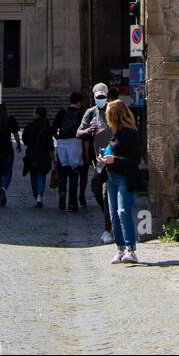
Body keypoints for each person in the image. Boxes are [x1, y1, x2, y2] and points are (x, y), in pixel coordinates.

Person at [101, 99, 141, 264]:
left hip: (124, 177)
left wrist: (114, 160)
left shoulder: (130, 134)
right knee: (113, 215)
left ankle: (131, 250)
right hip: (111, 177)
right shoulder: (115, 132)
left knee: (123, 212)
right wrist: (105, 159)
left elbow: (133, 160)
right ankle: (120, 249)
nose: (107, 119)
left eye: (109, 115)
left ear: (115, 115)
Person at [78, 83, 114, 242]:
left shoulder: (113, 110)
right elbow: (78, 132)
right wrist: (88, 131)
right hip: (98, 160)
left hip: (113, 157)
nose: (100, 99)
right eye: (98, 97)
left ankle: (108, 228)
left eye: (102, 97)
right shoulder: (90, 113)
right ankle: (110, 216)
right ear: (94, 97)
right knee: (95, 187)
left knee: (107, 192)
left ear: (107, 97)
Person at [51, 92, 84, 212]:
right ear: (79, 102)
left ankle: (62, 191)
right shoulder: (81, 114)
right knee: (74, 173)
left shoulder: (61, 112)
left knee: (62, 171)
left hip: (62, 143)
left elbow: (53, 129)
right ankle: (72, 202)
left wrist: (58, 139)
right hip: (75, 143)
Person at [22, 106, 53, 207]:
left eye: (33, 112)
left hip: (33, 154)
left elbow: (25, 140)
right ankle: (39, 196)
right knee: (41, 176)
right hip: (44, 155)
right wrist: (53, 157)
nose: (32, 114)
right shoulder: (47, 127)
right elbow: (50, 144)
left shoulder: (30, 127)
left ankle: (36, 195)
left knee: (34, 176)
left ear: (37, 114)